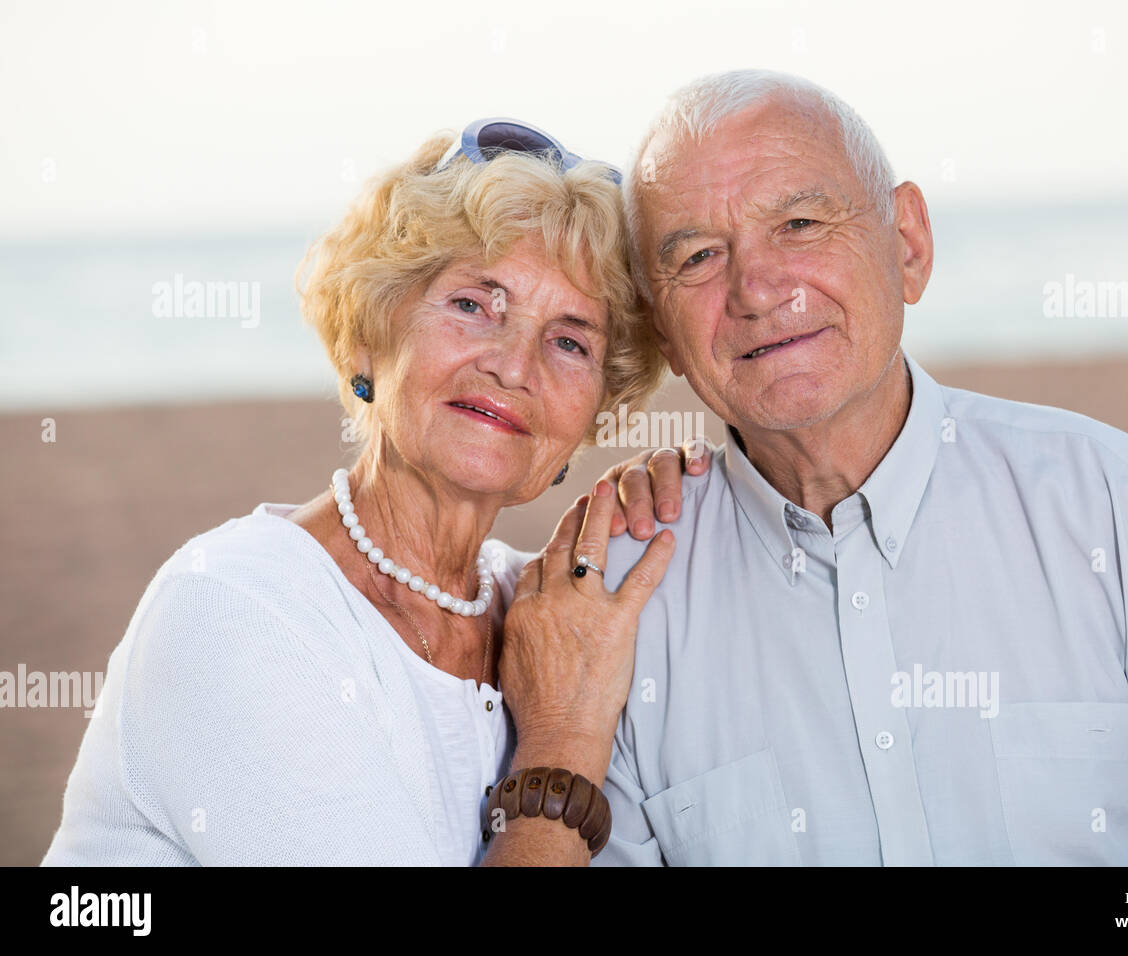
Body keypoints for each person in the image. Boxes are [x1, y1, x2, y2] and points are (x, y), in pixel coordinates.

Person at [596, 70, 1128, 866]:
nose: (756, 288)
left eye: (798, 221)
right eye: (697, 256)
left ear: (908, 245)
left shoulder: (1127, 518)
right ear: (661, 326)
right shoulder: (619, 610)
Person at [41, 118, 709, 866]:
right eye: (474, 305)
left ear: (592, 414)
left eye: (569, 340)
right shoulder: (237, 604)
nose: (514, 367)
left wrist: (693, 511)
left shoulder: (551, 614)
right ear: (368, 332)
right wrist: (560, 743)